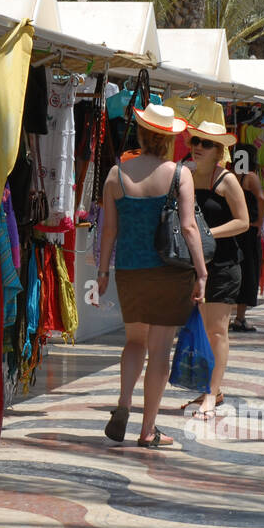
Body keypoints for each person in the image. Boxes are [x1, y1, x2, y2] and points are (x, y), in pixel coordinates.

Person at [97, 103, 207, 449]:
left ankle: (123, 402)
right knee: (159, 350)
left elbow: (109, 231)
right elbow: (189, 227)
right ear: (170, 138)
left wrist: (101, 273)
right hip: (169, 272)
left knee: (134, 342)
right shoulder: (179, 174)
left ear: (142, 134)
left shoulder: (116, 175)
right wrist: (202, 273)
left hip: (129, 270)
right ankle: (147, 431)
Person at [184, 115, 250, 420]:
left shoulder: (226, 180)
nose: (197, 147)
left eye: (205, 144)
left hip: (223, 264)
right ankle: (211, 388)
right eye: (195, 141)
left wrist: (209, 233)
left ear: (218, 150)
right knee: (201, 330)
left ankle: (211, 393)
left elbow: (243, 222)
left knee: (217, 331)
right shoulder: (184, 173)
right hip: (193, 264)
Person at [230, 143, 264, 332]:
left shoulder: (230, 176)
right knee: (248, 271)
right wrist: (260, 221)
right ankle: (240, 318)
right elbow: (261, 198)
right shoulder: (251, 177)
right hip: (249, 229)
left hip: (233, 228)